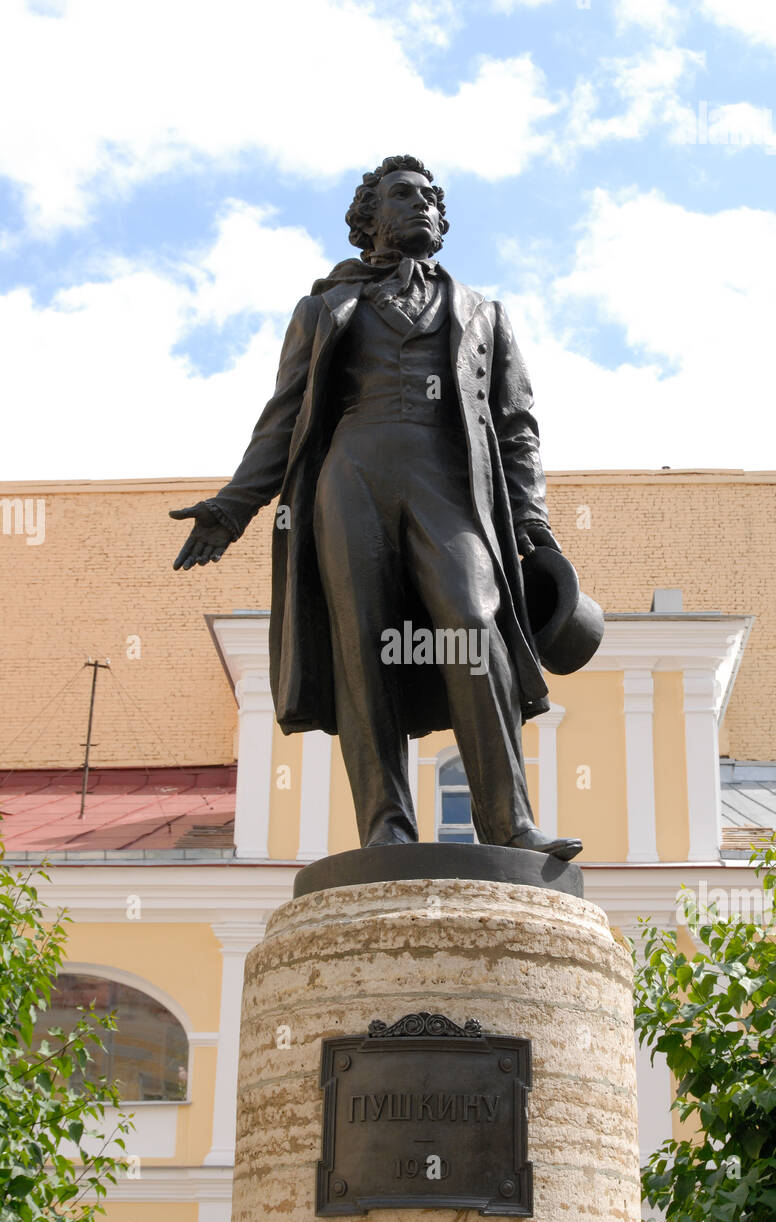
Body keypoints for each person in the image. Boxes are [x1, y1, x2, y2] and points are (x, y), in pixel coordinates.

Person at [172, 155, 581, 860]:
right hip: (350, 475)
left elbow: (517, 428)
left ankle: (510, 826)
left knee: (473, 626)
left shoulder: (484, 312)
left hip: (449, 485)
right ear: (369, 220)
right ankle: (385, 824)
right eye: (402, 194)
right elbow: (285, 416)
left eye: (430, 197)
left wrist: (534, 528)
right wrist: (237, 505)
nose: (421, 204)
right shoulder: (323, 307)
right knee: (362, 645)